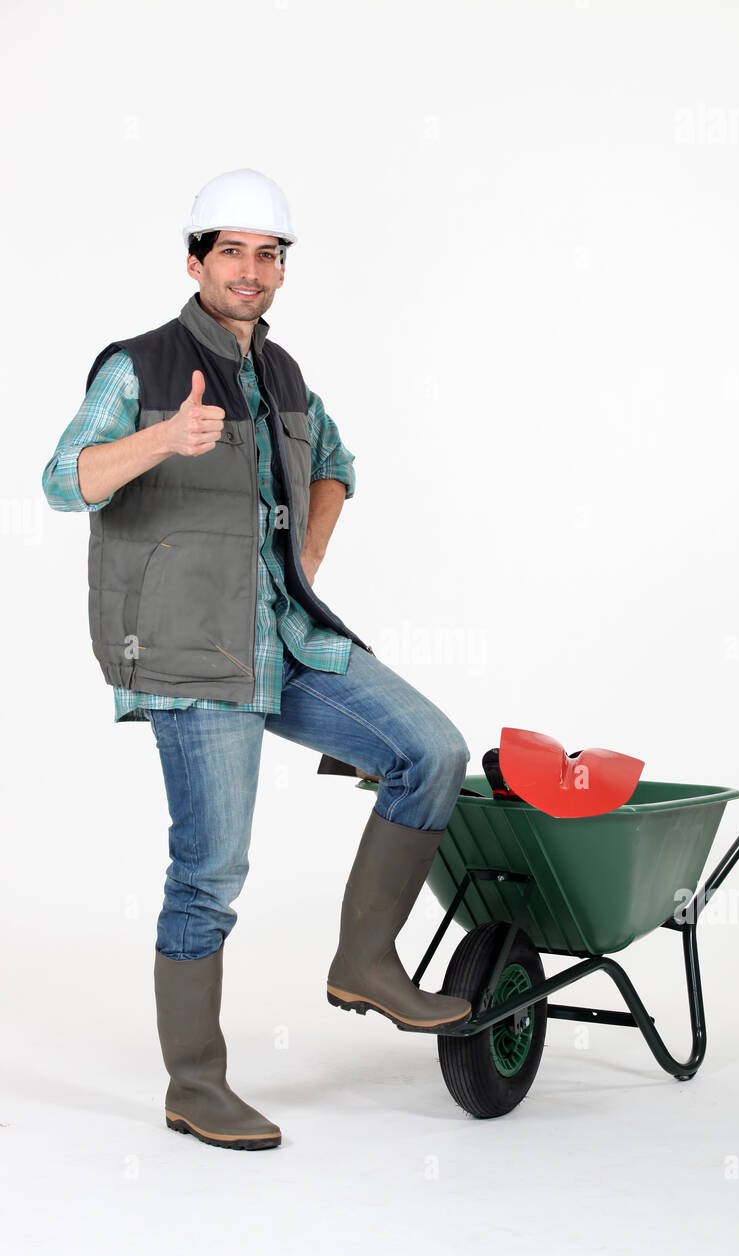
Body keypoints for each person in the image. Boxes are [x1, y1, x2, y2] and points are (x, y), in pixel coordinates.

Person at [42, 167, 472, 1152]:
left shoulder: (281, 374)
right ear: (194, 262)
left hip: (285, 631)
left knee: (430, 751)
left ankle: (364, 958)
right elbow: (62, 480)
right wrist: (160, 439)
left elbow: (335, 463)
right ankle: (196, 1084)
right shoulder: (139, 367)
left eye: (266, 253)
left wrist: (310, 546)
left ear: (281, 269)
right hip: (190, 650)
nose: (249, 269)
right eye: (229, 250)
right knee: (211, 869)